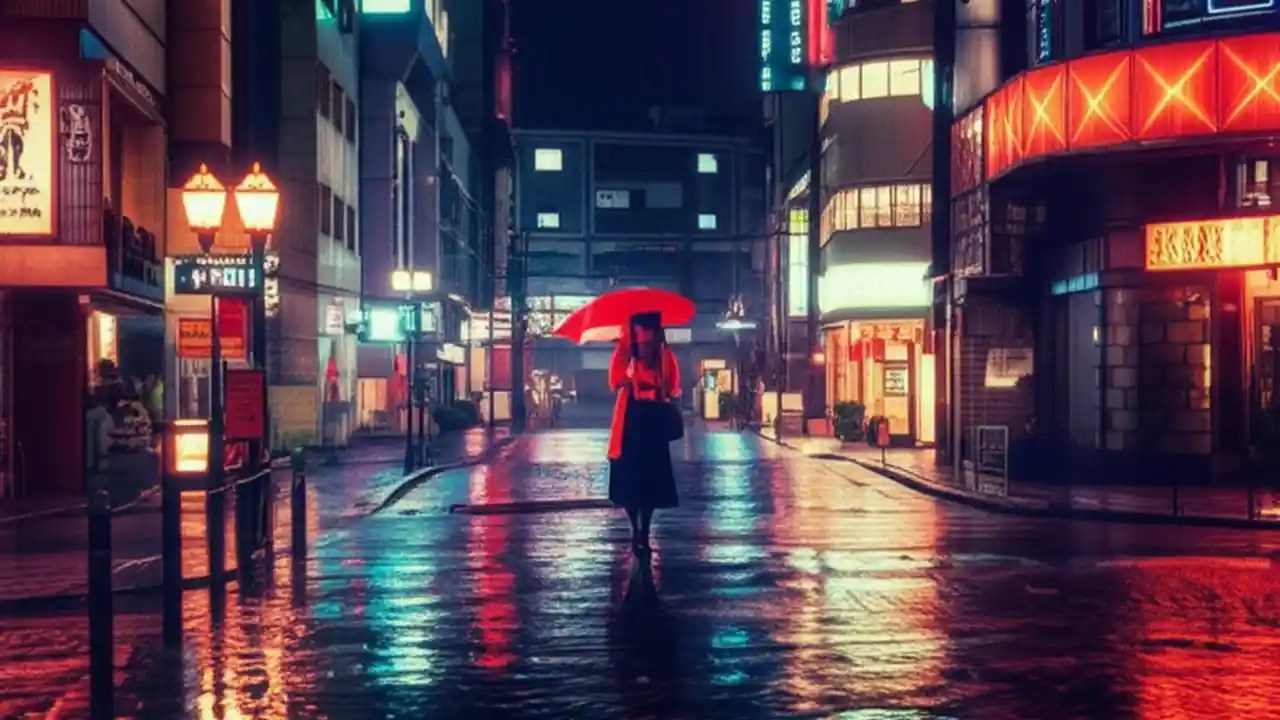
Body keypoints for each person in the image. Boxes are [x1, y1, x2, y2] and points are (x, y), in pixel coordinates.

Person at [608, 312, 681, 556]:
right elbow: (614, 380)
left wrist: (657, 382)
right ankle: (635, 529)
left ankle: (644, 531)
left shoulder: (664, 356)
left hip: (653, 422)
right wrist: (629, 378)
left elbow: (673, 385)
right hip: (630, 421)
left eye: (649, 341)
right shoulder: (625, 354)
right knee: (630, 481)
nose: (646, 346)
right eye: (641, 342)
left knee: (650, 482)